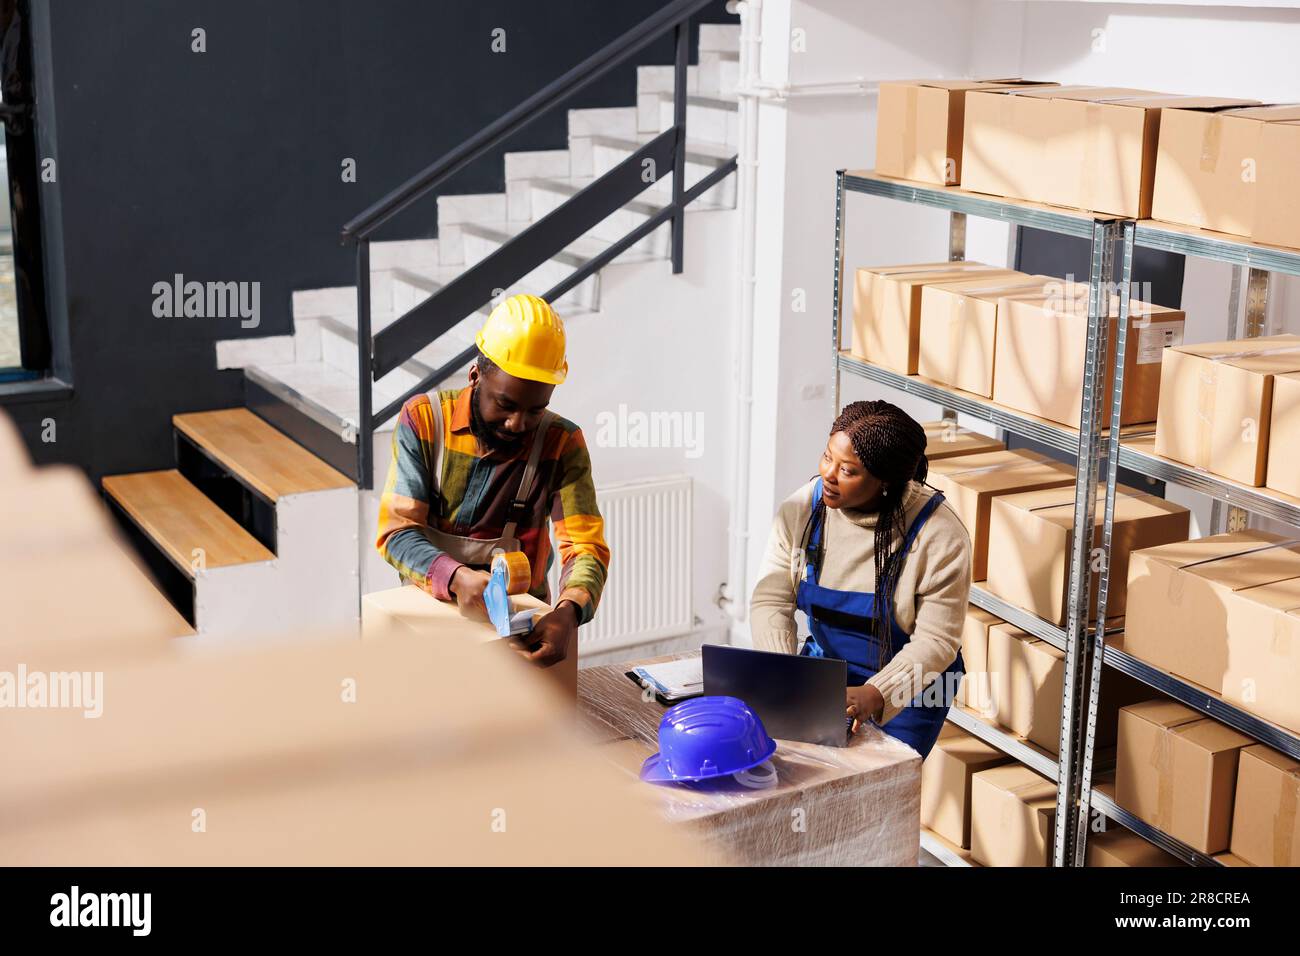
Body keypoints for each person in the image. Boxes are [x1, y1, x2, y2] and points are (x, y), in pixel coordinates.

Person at [375, 293, 609, 669]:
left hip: (519, 632)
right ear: (475, 375)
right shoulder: (424, 421)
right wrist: (455, 577)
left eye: (536, 409)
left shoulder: (561, 443)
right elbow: (396, 532)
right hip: (427, 620)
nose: (518, 424)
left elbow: (584, 547)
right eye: (505, 404)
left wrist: (568, 612)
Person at [749, 400, 972, 758]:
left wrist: (878, 693)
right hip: (827, 667)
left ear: (886, 481)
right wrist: (784, 670)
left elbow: (937, 640)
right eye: (826, 457)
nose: (828, 475)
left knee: (880, 785)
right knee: (803, 772)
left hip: (913, 684)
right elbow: (771, 598)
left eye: (848, 471)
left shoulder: (939, 535)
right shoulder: (803, 511)